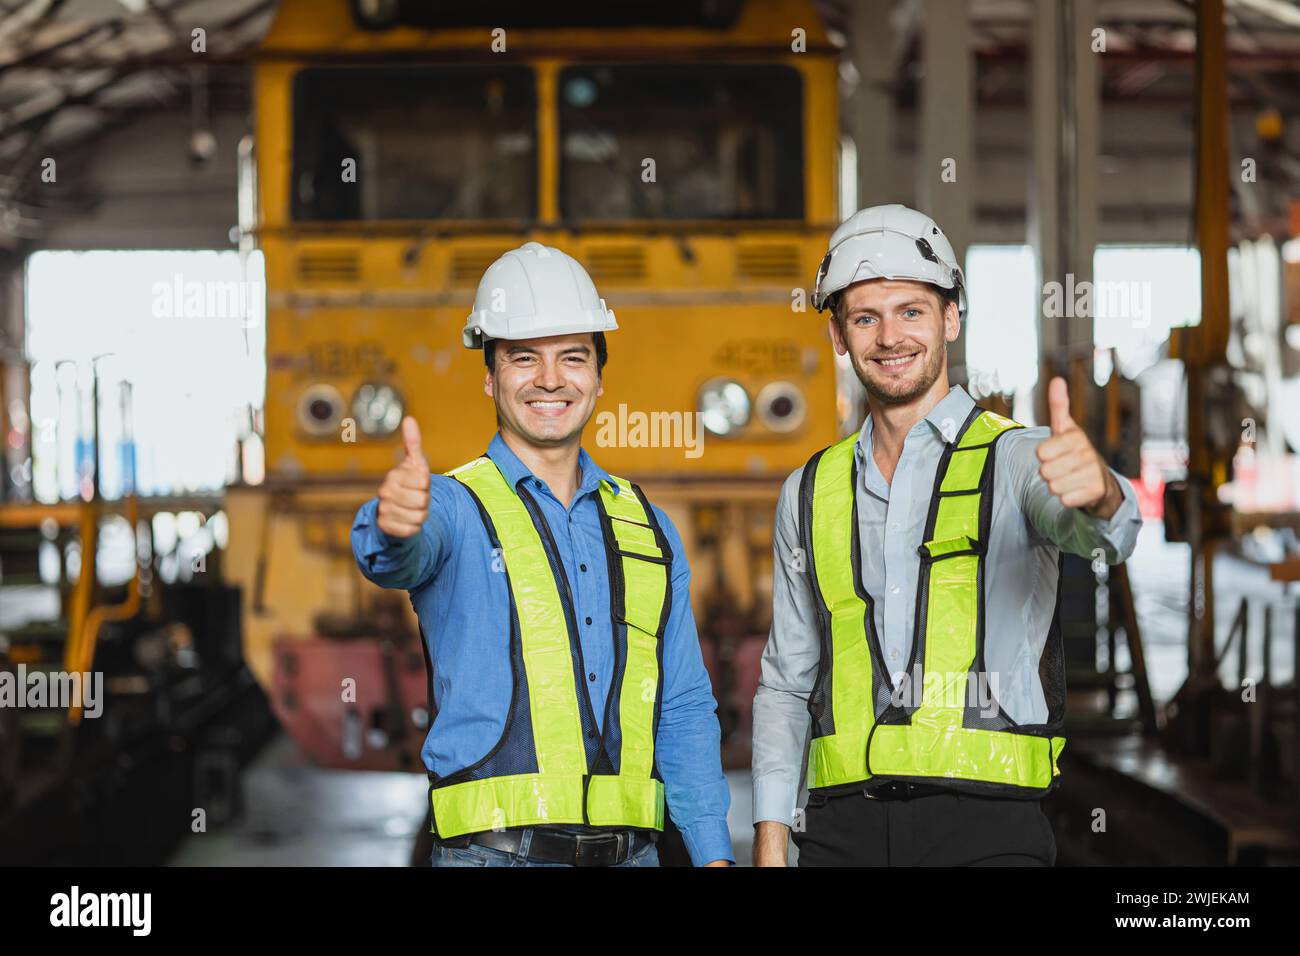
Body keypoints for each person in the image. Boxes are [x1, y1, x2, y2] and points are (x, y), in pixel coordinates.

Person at [751, 204, 1142, 866]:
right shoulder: (810, 491)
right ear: (839, 337)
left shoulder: (1018, 459)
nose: (889, 336)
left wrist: (1101, 491)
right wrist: (769, 836)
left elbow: (1104, 538)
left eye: (911, 311)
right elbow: (787, 680)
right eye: (865, 317)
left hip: (988, 831)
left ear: (951, 319)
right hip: (841, 832)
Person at [351, 241, 733, 867]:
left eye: (572, 358)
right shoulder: (452, 506)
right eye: (524, 358)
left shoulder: (647, 527)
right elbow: (399, 556)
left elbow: (683, 703)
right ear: (490, 376)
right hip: (491, 858)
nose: (550, 380)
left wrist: (713, 854)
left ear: (599, 379)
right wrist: (391, 524)